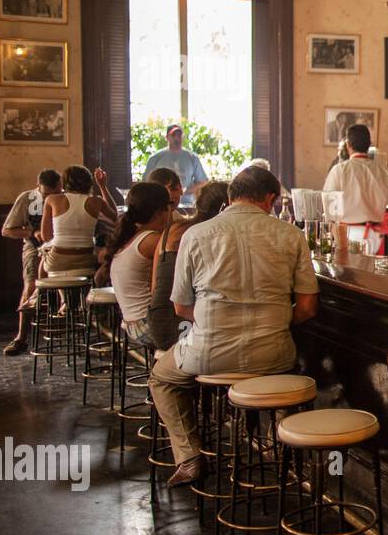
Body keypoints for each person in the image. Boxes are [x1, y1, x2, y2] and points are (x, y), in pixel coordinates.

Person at [148, 166, 318, 487]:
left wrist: (216, 322)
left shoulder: (195, 235)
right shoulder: (291, 235)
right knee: (288, 377)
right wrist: (277, 319)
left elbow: (181, 307)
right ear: (269, 199)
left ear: (230, 197)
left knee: (162, 380)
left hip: (208, 354)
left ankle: (189, 459)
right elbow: (308, 308)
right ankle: (284, 460)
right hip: (274, 358)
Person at [145, 180, 229, 352]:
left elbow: (155, 286)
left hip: (157, 319)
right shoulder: (208, 237)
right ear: (226, 207)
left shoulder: (172, 229)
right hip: (181, 326)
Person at [0, 169, 63, 354]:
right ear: (38, 188)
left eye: (55, 194)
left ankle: (64, 328)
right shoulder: (27, 199)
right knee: (30, 285)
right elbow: (7, 230)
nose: (50, 198)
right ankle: (21, 337)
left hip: (59, 246)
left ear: (61, 187)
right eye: (46, 194)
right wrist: (31, 232)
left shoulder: (65, 198)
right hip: (34, 247)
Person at [107, 183, 173, 347]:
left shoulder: (131, 236)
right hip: (148, 326)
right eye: (169, 206)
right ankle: (175, 371)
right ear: (160, 212)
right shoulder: (152, 240)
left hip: (132, 324)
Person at [322, 124, 388, 257]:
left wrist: (331, 237)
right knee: (367, 275)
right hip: (373, 236)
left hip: (347, 233)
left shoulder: (339, 170)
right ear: (368, 145)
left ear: (348, 145)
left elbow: (329, 210)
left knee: (347, 275)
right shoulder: (383, 171)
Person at [39, 165, 118, 277]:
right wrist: (103, 186)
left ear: (64, 183)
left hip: (57, 263)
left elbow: (45, 237)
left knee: (43, 253)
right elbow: (114, 216)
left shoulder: (52, 200)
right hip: (86, 261)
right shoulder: (96, 202)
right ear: (89, 182)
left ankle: (40, 292)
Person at [144, 123, 208, 208]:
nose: (177, 138)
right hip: (160, 204)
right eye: (173, 135)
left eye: (179, 135)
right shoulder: (155, 158)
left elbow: (203, 181)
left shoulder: (192, 158)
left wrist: (187, 190)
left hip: (186, 204)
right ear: (167, 137)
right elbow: (146, 182)